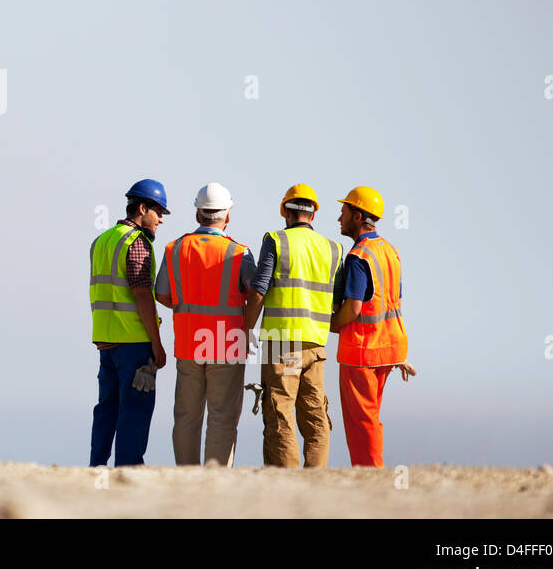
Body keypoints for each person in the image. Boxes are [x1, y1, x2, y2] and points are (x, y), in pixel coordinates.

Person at [156, 182, 255, 465]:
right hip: (226, 345)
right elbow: (255, 293)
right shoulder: (240, 253)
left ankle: (187, 474)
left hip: (189, 344)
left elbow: (162, 293)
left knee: (186, 415)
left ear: (198, 215)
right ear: (227, 216)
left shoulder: (175, 248)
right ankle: (215, 476)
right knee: (222, 417)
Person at [245, 183, 342, 467]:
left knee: (280, 412)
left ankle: (288, 479)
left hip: (283, 344)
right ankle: (316, 478)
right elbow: (336, 300)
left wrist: (248, 328)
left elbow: (259, 289)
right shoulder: (333, 248)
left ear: (285, 212)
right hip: (317, 345)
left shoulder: (276, 240)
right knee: (315, 416)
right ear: (313, 214)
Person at [89, 178, 169, 467]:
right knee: (135, 410)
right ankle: (129, 470)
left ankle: (96, 466)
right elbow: (141, 294)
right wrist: (157, 344)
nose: (160, 219)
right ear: (143, 208)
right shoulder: (137, 243)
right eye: (158, 212)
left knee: (106, 410)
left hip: (106, 341)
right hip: (133, 344)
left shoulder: (102, 240)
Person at [331, 186, 412, 467]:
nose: (339, 219)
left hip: (363, 351)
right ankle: (372, 471)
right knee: (371, 414)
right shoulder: (390, 251)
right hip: (390, 347)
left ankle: (370, 474)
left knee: (361, 420)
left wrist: (329, 324)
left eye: (343, 213)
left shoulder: (358, 256)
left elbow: (353, 308)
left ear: (357, 216)